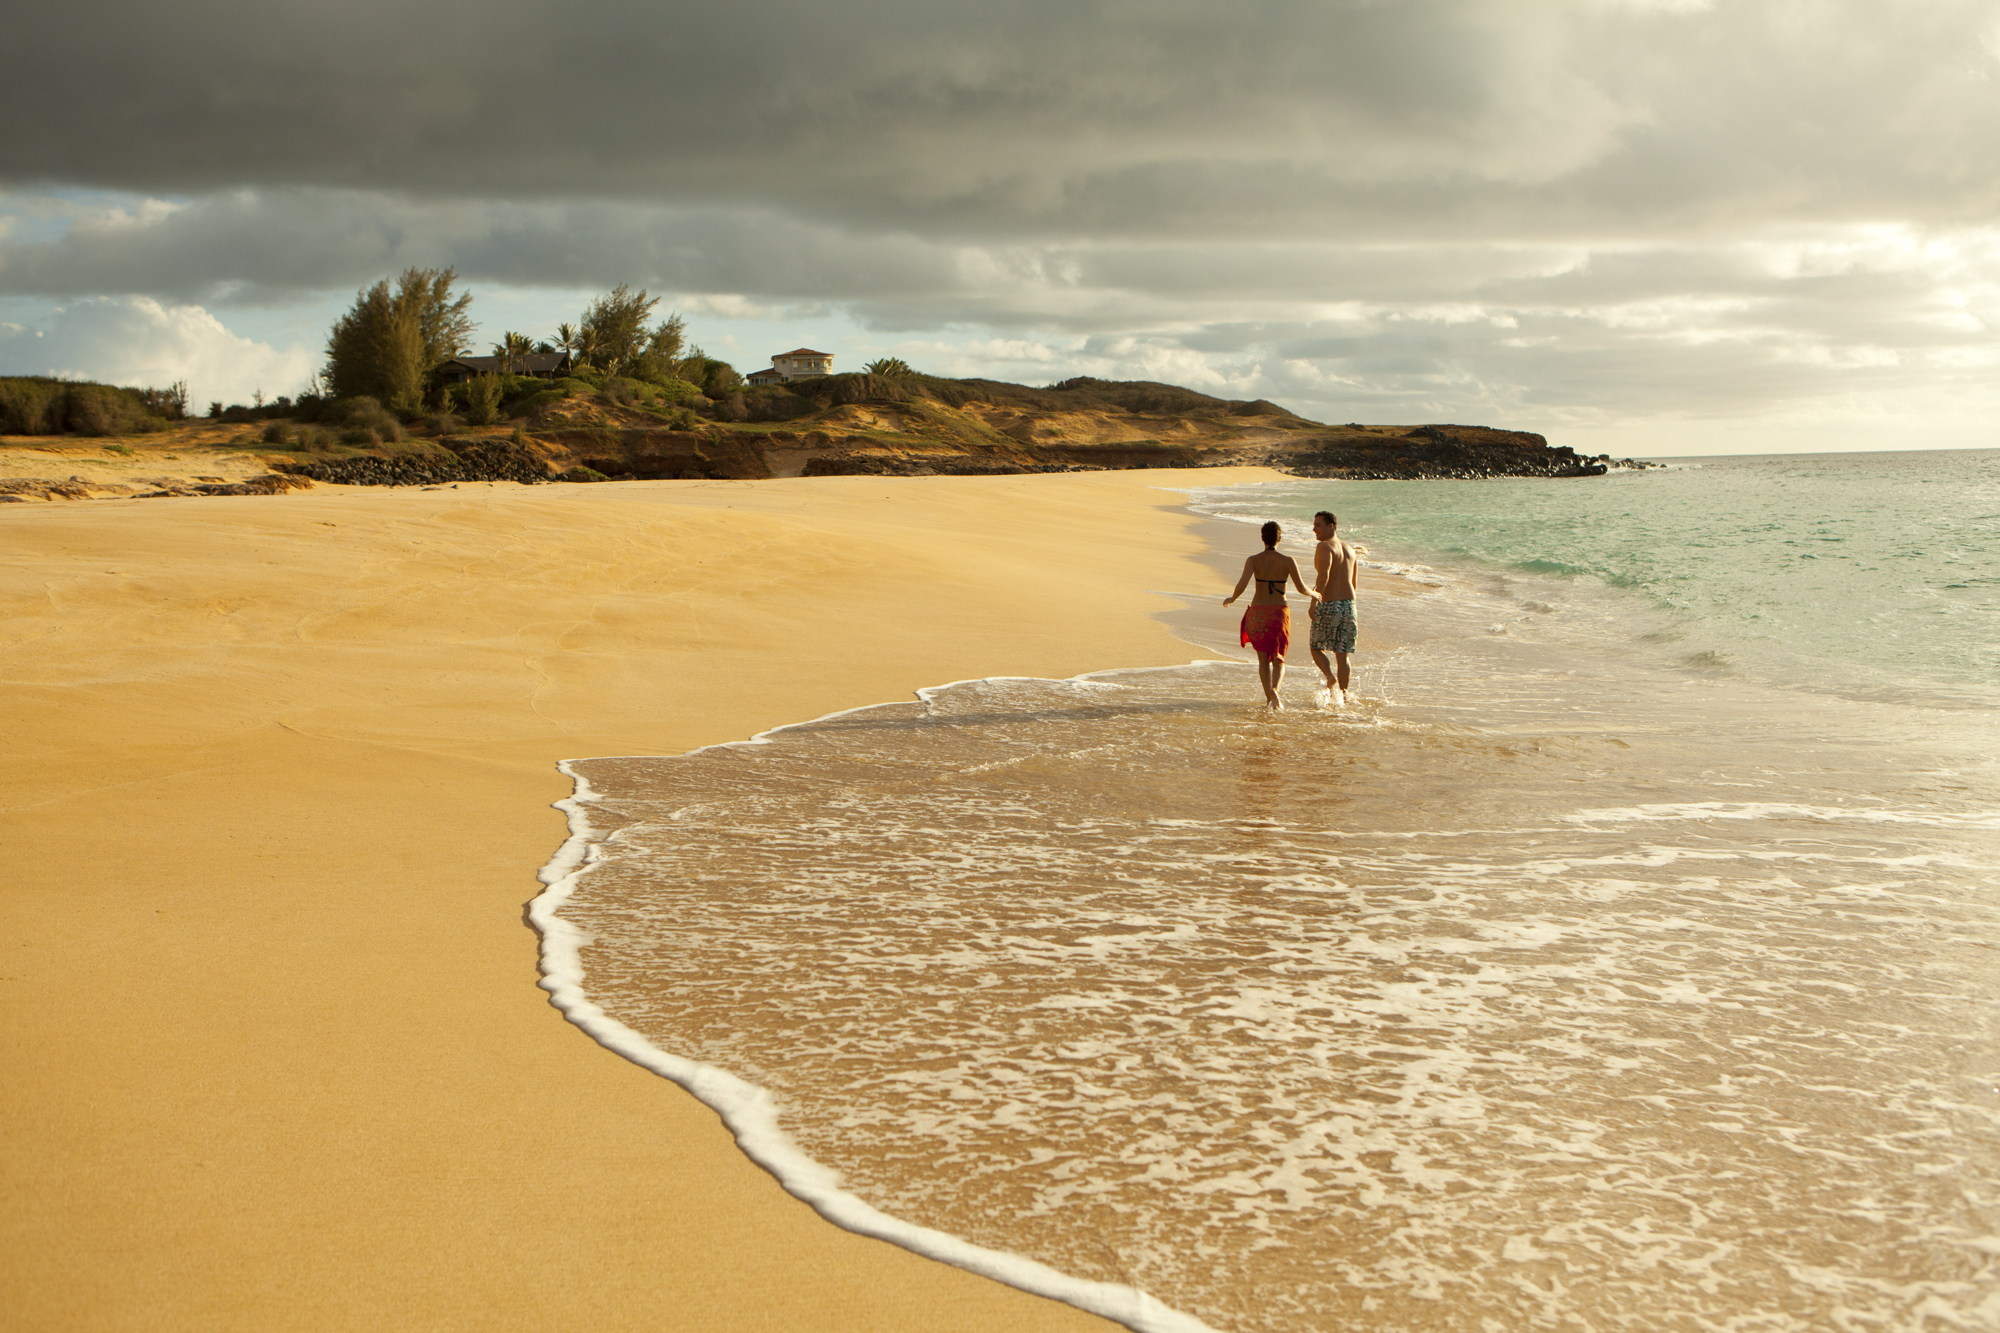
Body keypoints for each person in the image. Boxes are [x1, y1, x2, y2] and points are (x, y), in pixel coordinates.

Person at [1224, 520, 1317, 708]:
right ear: (1280, 538)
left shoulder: (1253, 560)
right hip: (1279, 613)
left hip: (1258, 613)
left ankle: (1269, 698)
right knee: (1279, 658)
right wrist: (1314, 593)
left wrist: (1232, 598)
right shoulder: (1288, 561)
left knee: (1262, 659)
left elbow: (1242, 584)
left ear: (1262, 538)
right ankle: (1276, 689)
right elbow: (1301, 588)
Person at [1308, 510, 1358, 703]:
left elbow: (1323, 577)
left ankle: (1329, 676)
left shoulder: (1324, 547)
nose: (1314, 529)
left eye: (1318, 525)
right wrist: (1350, 608)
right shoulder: (1350, 549)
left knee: (1315, 647)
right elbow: (1353, 583)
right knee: (1342, 654)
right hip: (1349, 605)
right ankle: (1344, 697)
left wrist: (1314, 601)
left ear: (1331, 526)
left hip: (1329, 604)